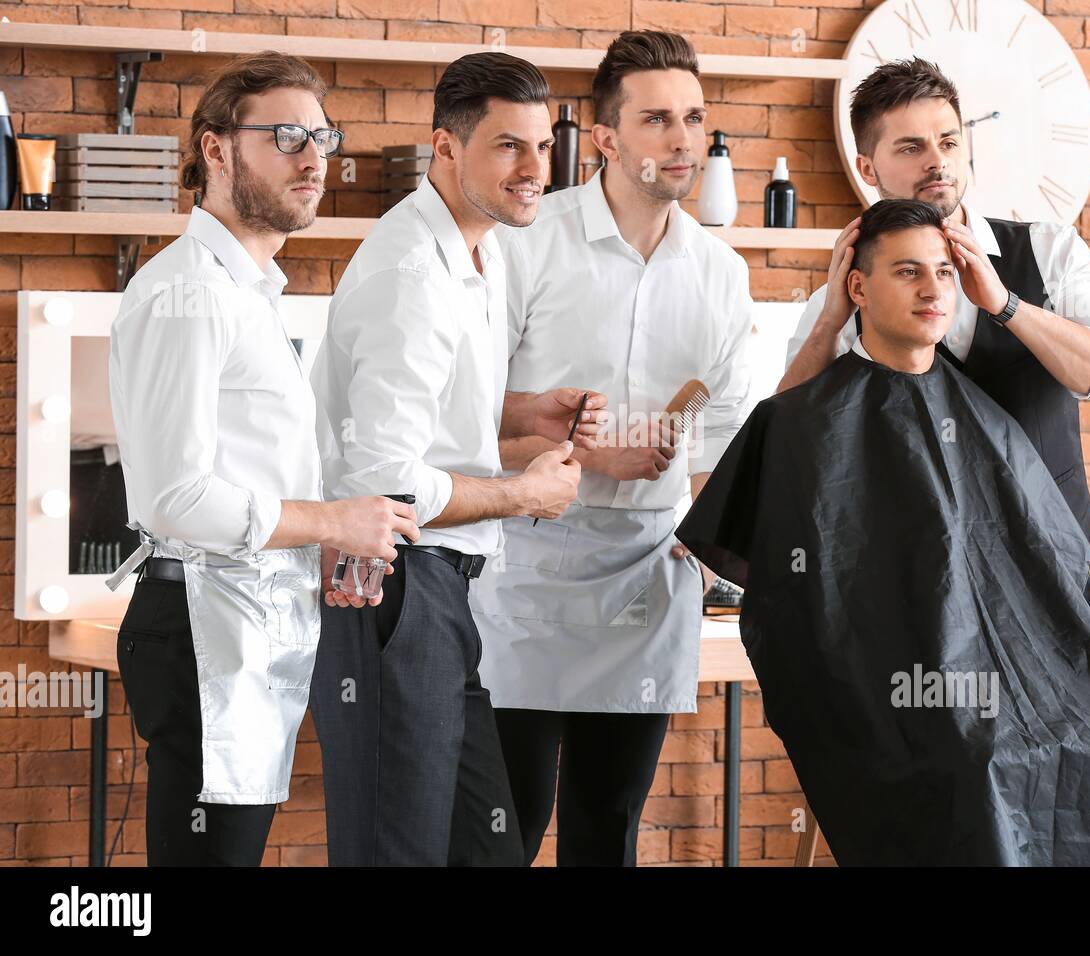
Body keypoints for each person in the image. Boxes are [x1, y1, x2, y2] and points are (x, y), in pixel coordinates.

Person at [676, 199, 1090, 866]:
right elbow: (796, 602)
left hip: (1028, 696)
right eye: (908, 272)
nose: (931, 289)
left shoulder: (989, 423)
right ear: (858, 287)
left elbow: (1044, 568)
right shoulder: (806, 421)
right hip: (899, 714)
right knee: (982, 774)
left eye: (945, 273)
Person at [107, 52, 420, 866]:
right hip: (197, 628)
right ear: (215, 150)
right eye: (286, 136)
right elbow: (174, 496)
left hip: (246, 625)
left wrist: (320, 541)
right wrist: (335, 519)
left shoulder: (249, 293)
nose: (315, 158)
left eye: (323, 137)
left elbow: (245, 475)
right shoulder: (186, 292)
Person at [309, 52, 603, 866]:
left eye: (544, 147)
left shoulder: (485, 250)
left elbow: (432, 410)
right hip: (392, 588)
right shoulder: (411, 273)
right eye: (509, 146)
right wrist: (523, 495)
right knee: (392, 852)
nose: (536, 171)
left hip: (443, 597)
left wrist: (524, 412)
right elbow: (386, 479)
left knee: (489, 849)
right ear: (445, 147)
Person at [469, 31, 753, 866]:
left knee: (607, 832)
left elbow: (729, 430)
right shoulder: (525, 243)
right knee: (507, 832)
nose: (682, 139)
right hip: (526, 566)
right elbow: (462, 418)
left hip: (647, 574)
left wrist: (706, 553)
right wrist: (591, 459)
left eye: (695, 119)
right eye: (657, 119)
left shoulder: (720, 274)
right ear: (605, 139)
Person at [781, 58, 1090, 632]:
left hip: (1053, 581)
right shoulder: (844, 299)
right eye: (909, 147)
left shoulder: (1050, 253)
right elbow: (785, 441)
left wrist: (1007, 305)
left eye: (948, 141)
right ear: (866, 165)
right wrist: (830, 323)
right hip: (917, 600)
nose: (936, 160)